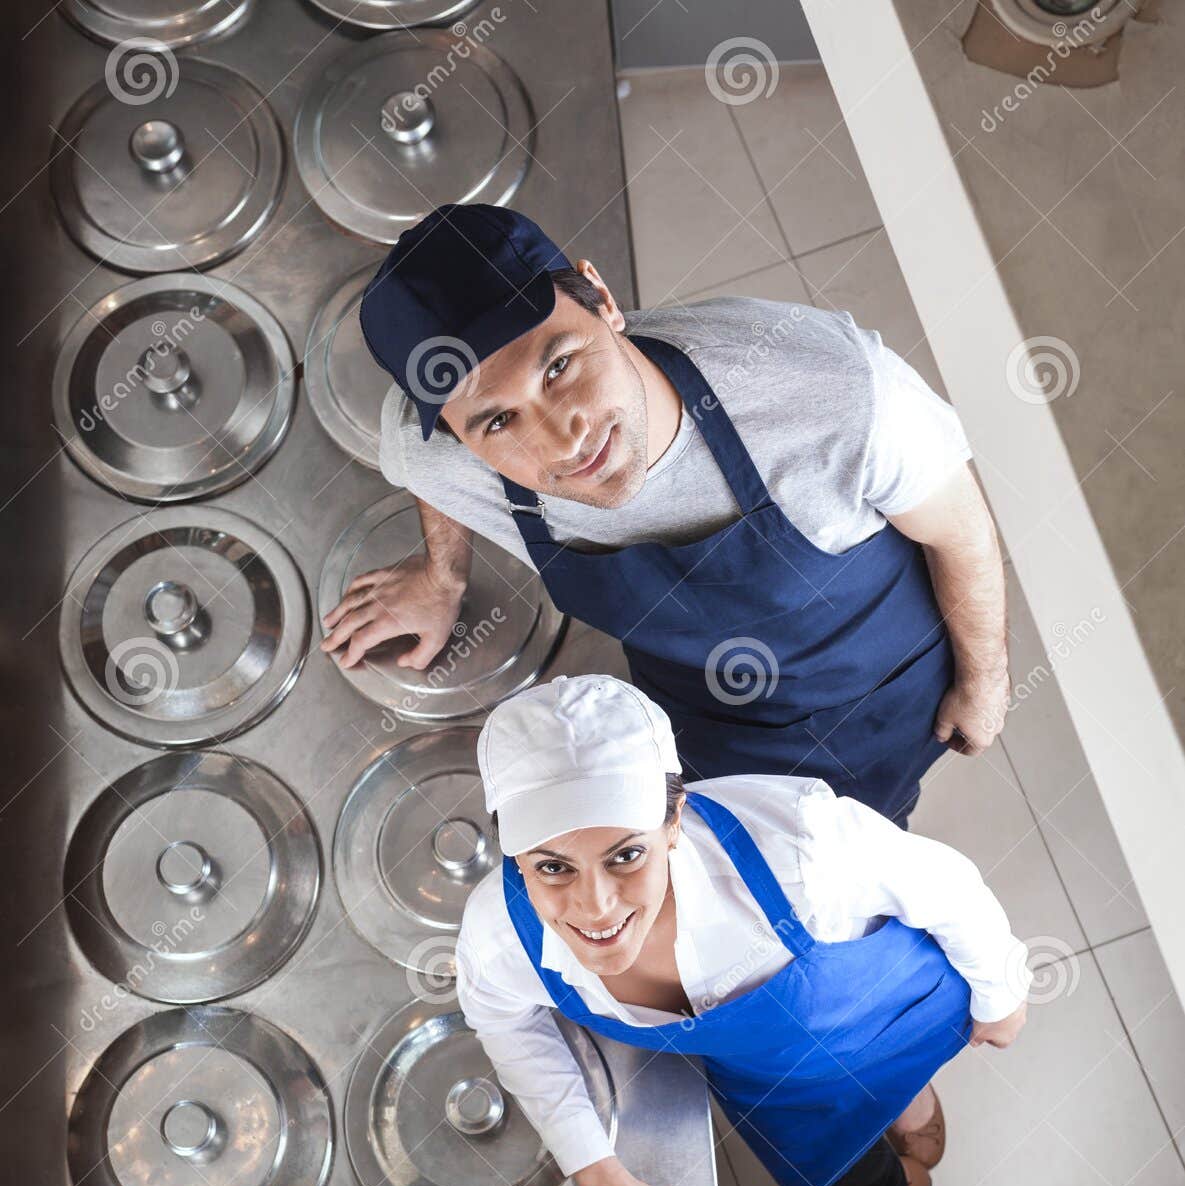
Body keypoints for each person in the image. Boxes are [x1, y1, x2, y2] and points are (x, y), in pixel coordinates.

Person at [323, 202, 1010, 824]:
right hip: (702, 717)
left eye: (559, 366)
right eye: (498, 421)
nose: (564, 440)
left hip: (877, 693)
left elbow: (961, 533)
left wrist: (984, 682)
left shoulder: (832, 392)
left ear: (602, 300)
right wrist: (440, 578)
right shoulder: (440, 453)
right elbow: (426, 471)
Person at [455, 675, 1031, 1186]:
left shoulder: (795, 848)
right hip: (774, 1075)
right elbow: (503, 1023)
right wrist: (602, 1179)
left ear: (672, 823)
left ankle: (908, 1102)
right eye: (553, 867)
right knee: (837, 1155)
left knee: (903, 1061)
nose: (596, 909)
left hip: (871, 1001)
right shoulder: (499, 938)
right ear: (512, 855)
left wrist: (1002, 991)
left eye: (625, 856)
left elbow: (944, 886)